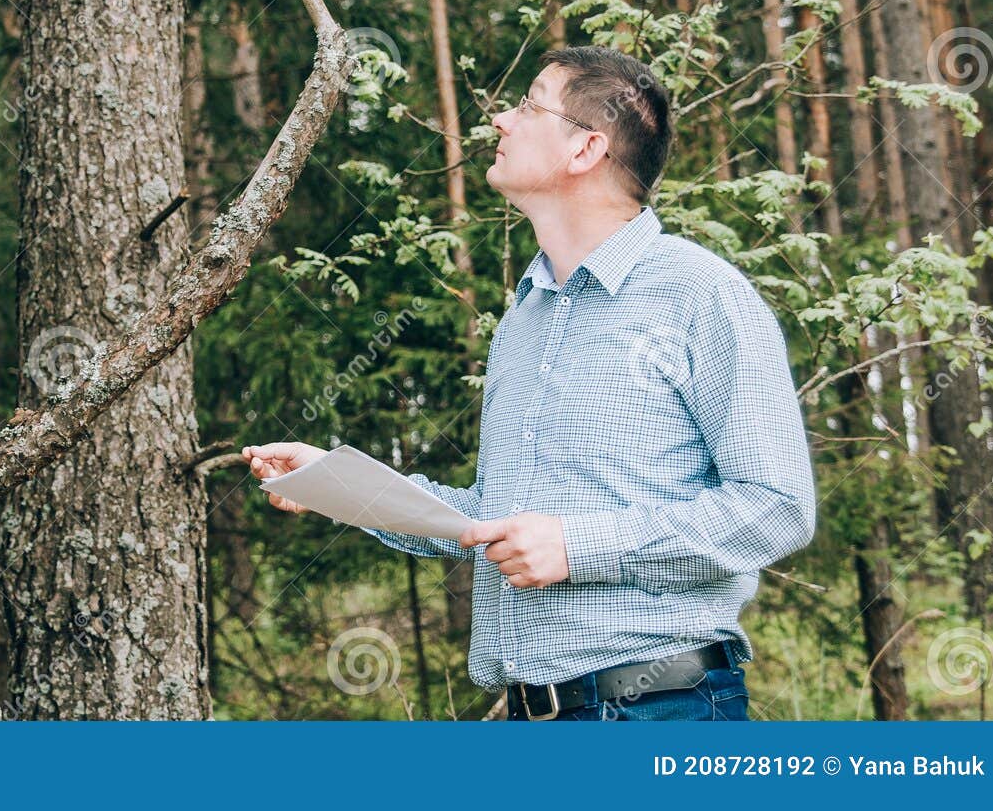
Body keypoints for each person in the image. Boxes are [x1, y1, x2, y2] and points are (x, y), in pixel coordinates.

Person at [243, 46, 817, 721]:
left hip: (659, 710)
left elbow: (776, 506)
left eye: (526, 103)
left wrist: (579, 546)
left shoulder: (701, 294)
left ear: (586, 149)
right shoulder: (523, 318)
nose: (499, 119)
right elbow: (489, 516)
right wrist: (335, 482)